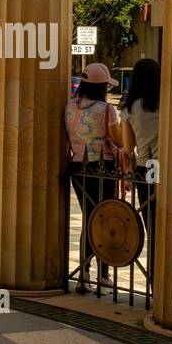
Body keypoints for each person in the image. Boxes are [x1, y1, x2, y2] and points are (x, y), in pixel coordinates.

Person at [64, 63, 121, 286]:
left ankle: (84, 272)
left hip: (78, 166)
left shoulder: (69, 106)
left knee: (90, 216)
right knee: (103, 217)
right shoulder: (107, 109)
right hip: (102, 167)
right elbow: (117, 138)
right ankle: (103, 274)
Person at [119, 57, 159, 285]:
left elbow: (127, 148)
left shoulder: (130, 109)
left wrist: (127, 175)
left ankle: (153, 276)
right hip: (167, 169)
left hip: (146, 168)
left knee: (151, 225)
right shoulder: (168, 103)